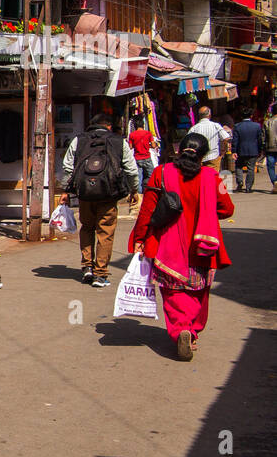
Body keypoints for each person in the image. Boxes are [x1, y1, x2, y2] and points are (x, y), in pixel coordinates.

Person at [129, 135, 233, 361]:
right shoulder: (213, 177)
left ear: (179, 149)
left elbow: (147, 209)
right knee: (199, 291)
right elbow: (227, 208)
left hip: (167, 245)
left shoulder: (161, 173)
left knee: (173, 291)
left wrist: (139, 237)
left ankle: (180, 329)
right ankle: (192, 330)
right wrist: (206, 212)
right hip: (202, 246)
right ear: (204, 155)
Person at [60, 112, 138, 288]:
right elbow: (131, 169)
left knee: (87, 227)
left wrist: (66, 190)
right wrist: (134, 190)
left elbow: (67, 166)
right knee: (105, 231)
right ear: (109, 126)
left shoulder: (79, 140)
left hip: (85, 194)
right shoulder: (119, 141)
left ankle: (87, 266)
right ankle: (100, 273)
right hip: (108, 194)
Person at [186, 106, 227, 171]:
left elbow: (187, 143)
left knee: (201, 179)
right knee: (212, 178)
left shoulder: (194, 128)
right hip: (213, 157)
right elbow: (226, 138)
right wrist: (223, 151)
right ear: (209, 115)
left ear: (199, 116)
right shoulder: (216, 126)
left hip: (199, 158)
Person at [231, 110, 263, 193]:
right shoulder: (257, 126)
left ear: (242, 116)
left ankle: (240, 181)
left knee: (238, 166)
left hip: (240, 150)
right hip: (253, 150)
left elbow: (235, 140)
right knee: (251, 169)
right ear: (251, 116)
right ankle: (249, 187)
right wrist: (260, 150)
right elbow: (260, 139)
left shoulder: (237, 126)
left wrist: (234, 151)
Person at [128, 118, 157, 195]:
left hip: (137, 158)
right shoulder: (148, 133)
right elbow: (154, 146)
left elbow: (130, 147)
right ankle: (150, 193)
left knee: (138, 178)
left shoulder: (132, 135)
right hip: (147, 158)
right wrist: (149, 145)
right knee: (151, 177)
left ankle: (139, 195)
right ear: (143, 125)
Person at [264, 105, 277, 193]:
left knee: (270, 166)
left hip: (270, 147)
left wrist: (262, 148)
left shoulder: (267, 122)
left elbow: (263, 137)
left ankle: (275, 182)